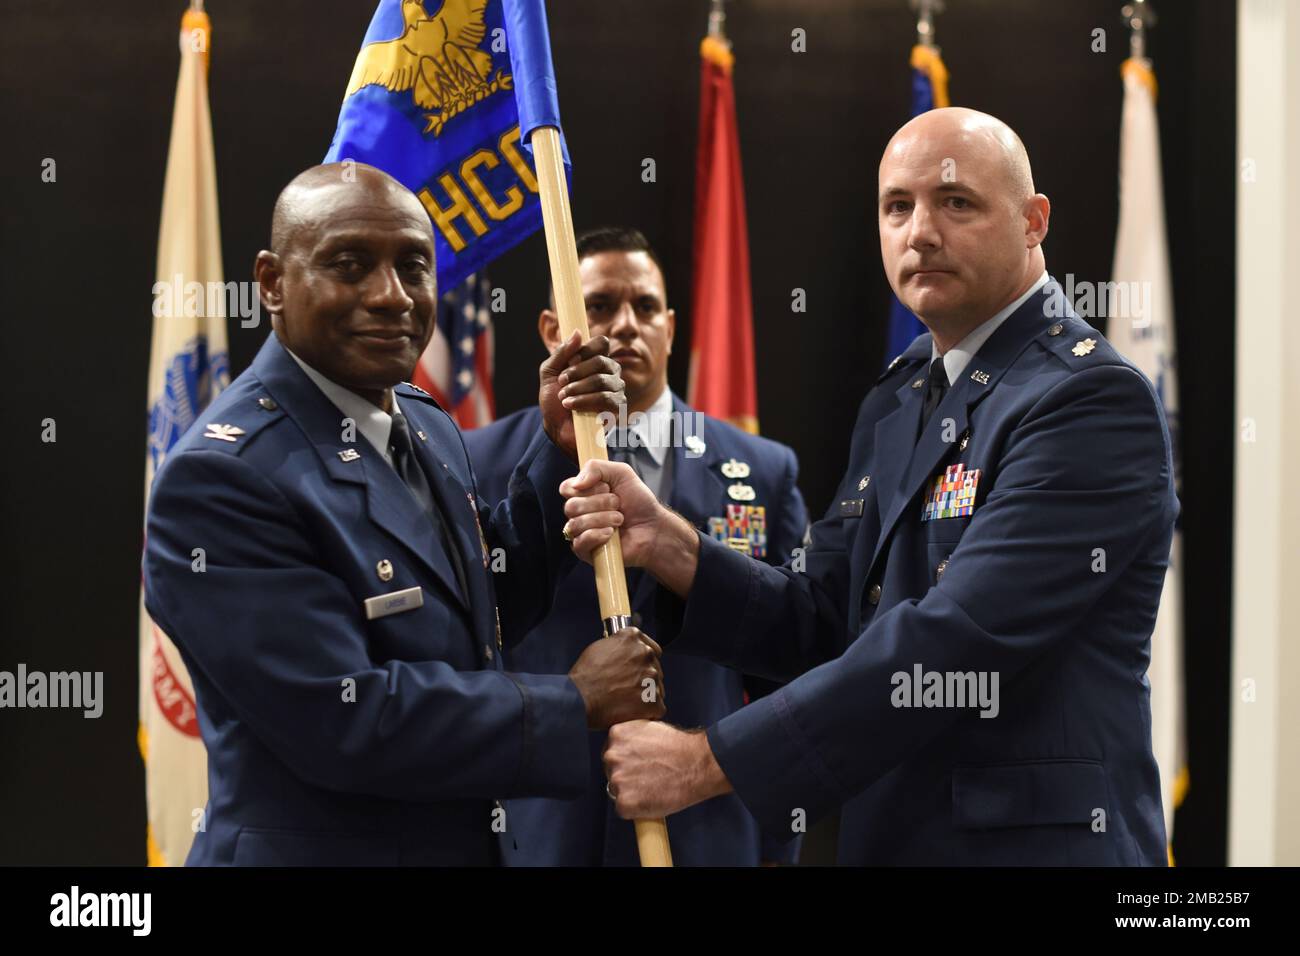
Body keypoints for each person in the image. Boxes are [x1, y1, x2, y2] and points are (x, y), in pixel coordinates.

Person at [561, 108, 1178, 866]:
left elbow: (955, 643)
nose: (920, 232)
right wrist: (673, 544)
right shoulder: (903, 392)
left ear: (1032, 220)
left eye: (955, 203)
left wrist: (707, 762)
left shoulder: (1086, 399)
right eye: (897, 206)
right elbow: (825, 617)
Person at [143, 164, 665, 866]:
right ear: (270, 284)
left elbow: (481, 610)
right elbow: (345, 720)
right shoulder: (221, 479)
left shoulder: (421, 420)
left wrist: (556, 448)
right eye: (351, 264)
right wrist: (572, 702)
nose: (392, 296)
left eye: (414, 266)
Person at [464, 227, 808, 866]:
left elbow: (785, 675)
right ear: (550, 329)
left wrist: (778, 840)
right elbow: (472, 651)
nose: (625, 326)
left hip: (707, 828)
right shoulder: (479, 463)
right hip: (539, 832)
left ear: (672, 328)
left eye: (645, 308)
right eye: (598, 306)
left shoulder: (762, 469)